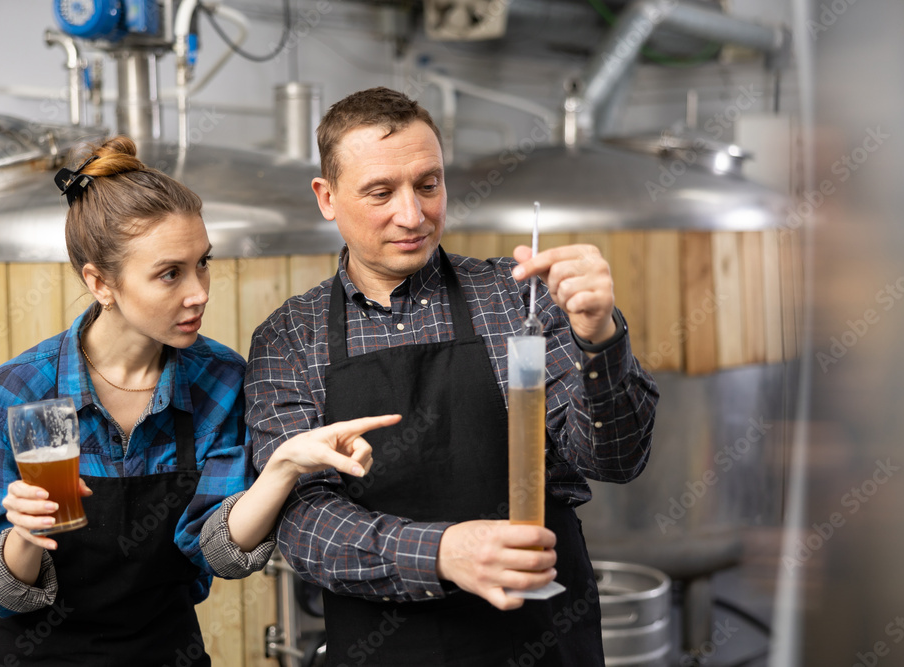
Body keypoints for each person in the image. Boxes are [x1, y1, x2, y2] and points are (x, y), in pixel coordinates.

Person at [246, 87, 660, 666]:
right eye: (381, 192)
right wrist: (442, 552)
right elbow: (302, 522)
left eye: (428, 184)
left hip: (541, 638)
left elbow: (616, 459)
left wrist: (600, 338)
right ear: (327, 197)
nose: (413, 215)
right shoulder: (290, 337)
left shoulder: (520, 299)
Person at [0, 135, 398, 666]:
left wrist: (282, 469)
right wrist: (26, 535)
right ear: (100, 283)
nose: (199, 292)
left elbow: (220, 554)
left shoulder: (220, 381)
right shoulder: (16, 392)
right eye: (170, 274)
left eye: (202, 263)